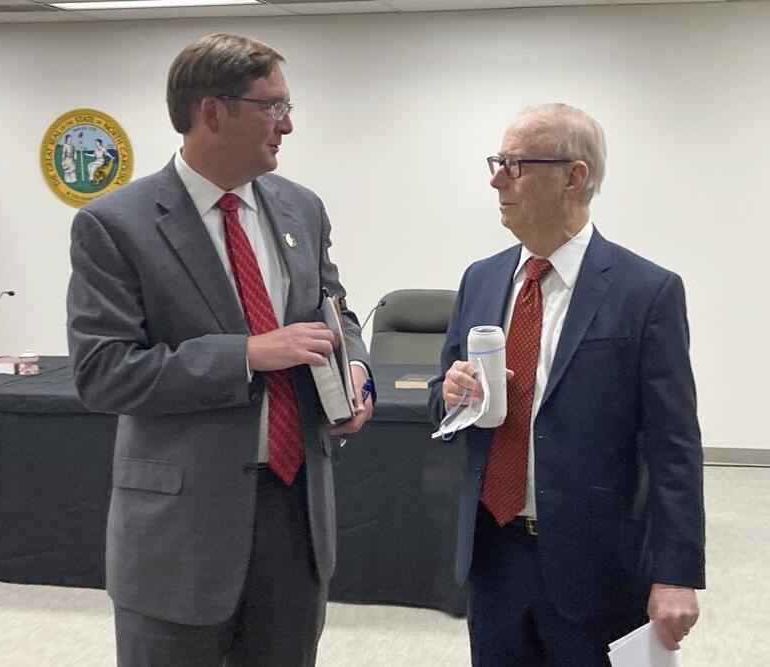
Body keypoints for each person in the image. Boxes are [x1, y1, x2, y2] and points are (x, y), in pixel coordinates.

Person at [66, 33, 373, 666]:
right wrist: (247, 354)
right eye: (273, 107)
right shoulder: (115, 225)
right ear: (212, 112)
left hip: (296, 514)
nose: (287, 125)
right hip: (180, 533)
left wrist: (357, 368)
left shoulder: (301, 209)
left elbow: (335, 312)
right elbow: (103, 374)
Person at [429, 103, 704, 666]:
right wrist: (451, 391)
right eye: (497, 162)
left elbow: (673, 446)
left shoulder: (645, 291)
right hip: (494, 553)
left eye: (516, 165)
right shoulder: (481, 279)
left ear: (574, 177)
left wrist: (676, 574)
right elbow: (442, 396)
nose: (496, 179)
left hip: (597, 563)